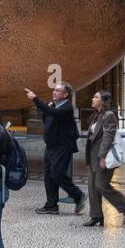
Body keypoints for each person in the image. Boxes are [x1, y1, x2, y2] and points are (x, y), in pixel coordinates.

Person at [26, 82, 85, 215]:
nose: (54, 92)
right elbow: (47, 119)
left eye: (58, 91)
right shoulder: (54, 106)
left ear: (65, 95)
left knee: (57, 173)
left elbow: (52, 113)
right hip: (51, 146)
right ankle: (51, 205)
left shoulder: (67, 108)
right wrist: (47, 108)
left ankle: (78, 195)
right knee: (48, 176)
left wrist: (35, 99)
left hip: (62, 146)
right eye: (54, 90)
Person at [83, 90, 125, 226]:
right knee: (92, 187)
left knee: (101, 185)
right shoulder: (96, 116)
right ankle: (96, 216)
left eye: (96, 97)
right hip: (93, 156)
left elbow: (108, 137)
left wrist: (102, 156)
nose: (92, 98)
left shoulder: (109, 116)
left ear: (103, 101)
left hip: (103, 156)